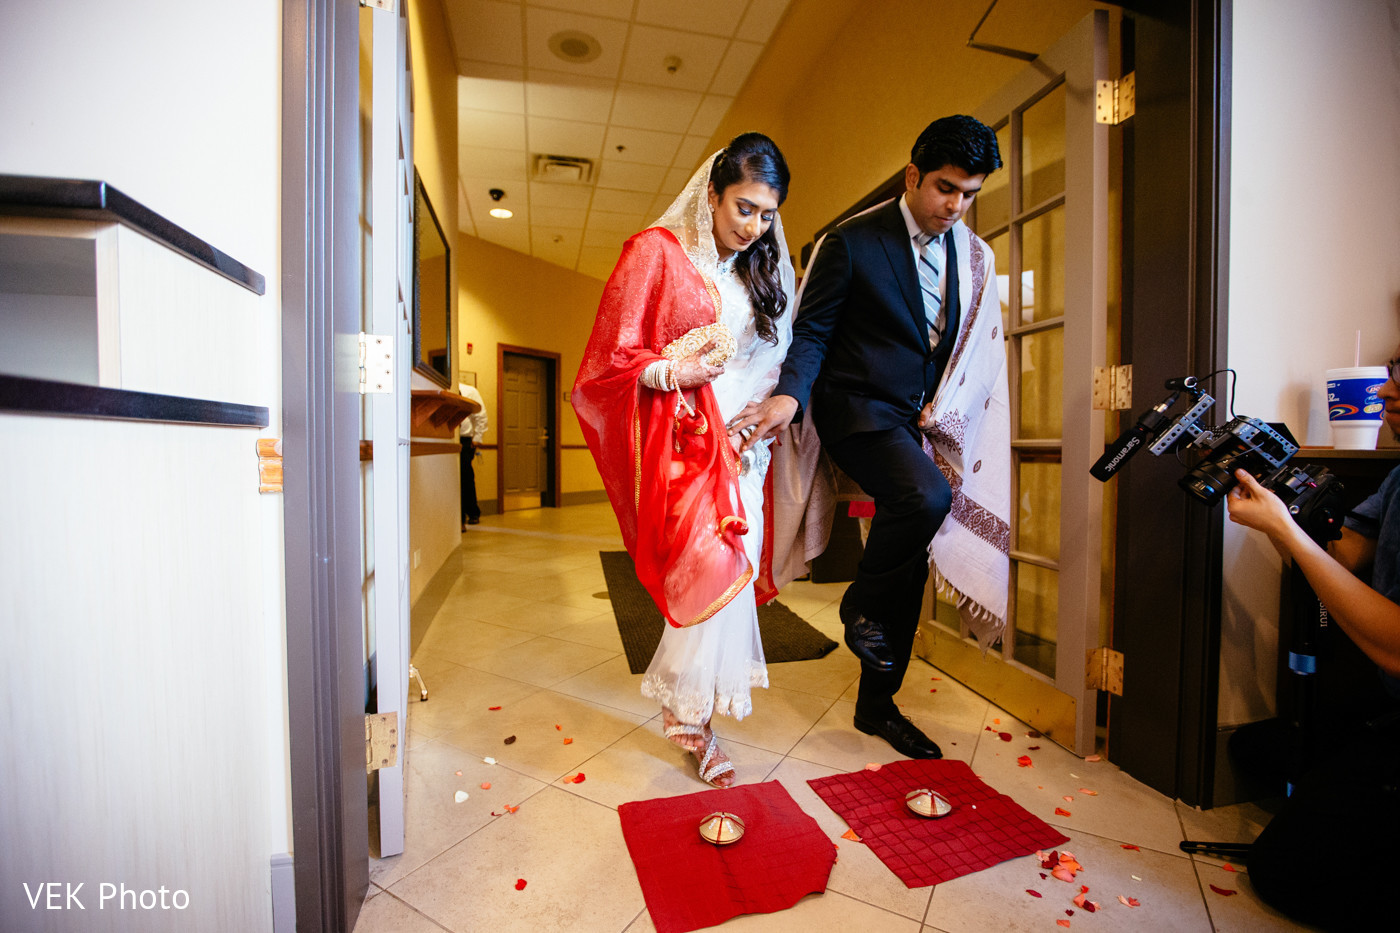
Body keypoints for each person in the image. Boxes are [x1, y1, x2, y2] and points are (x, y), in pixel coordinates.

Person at [728, 115, 1008, 760]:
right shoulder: (851, 241)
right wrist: (790, 395)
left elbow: (972, 350)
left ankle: (877, 705)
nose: (955, 206)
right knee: (927, 499)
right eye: (944, 188)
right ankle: (860, 602)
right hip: (856, 413)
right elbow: (815, 331)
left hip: (922, 420)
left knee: (907, 566)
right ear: (913, 176)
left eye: (970, 194)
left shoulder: (974, 255)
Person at [572, 133, 795, 787]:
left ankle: (688, 707)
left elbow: (763, 359)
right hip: (683, 446)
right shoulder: (657, 254)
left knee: (733, 578)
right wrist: (676, 373)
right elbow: (607, 363)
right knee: (707, 571)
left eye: (766, 214)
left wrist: (759, 418)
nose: (753, 227)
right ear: (712, 193)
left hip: (742, 451)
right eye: (743, 208)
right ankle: (693, 719)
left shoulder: (757, 271)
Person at [1224, 348, 1400, 930]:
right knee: (1257, 750)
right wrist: (1283, 514)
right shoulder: (1399, 476)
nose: (1386, 395)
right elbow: (1349, 551)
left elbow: (1396, 648)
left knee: (1285, 871)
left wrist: (1287, 533)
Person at [458, 381, 488, 529]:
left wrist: (477, 438)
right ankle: (459, 516)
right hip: (448, 438)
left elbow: (481, 416)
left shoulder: (469, 391)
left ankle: (472, 513)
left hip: (465, 440)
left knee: (465, 478)